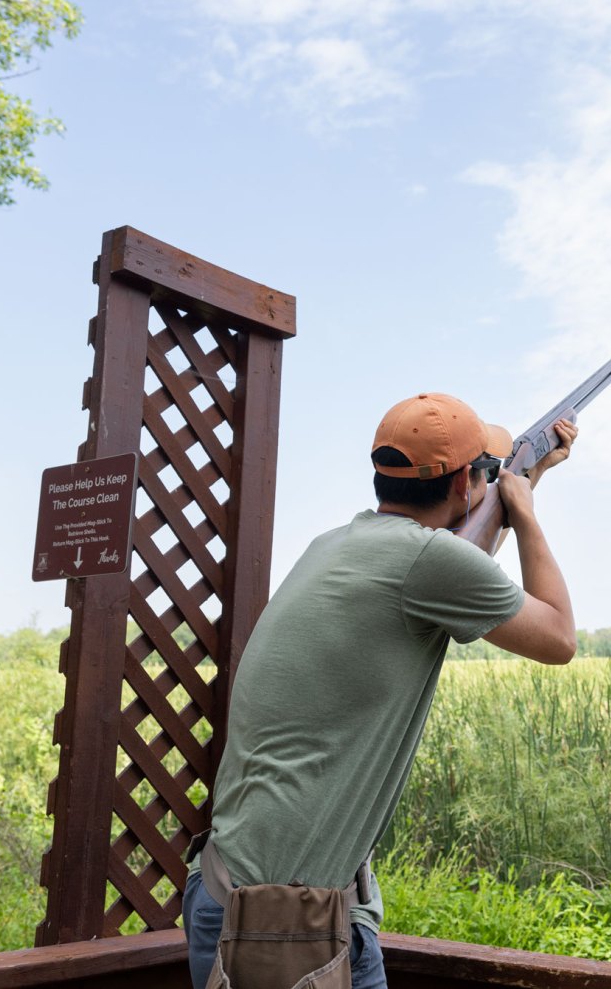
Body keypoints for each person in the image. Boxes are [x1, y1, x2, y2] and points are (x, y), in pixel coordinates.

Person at [182, 392, 579, 989]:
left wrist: (531, 474)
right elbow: (557, 637)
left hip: (235, 888)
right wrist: (524, 510)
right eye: (486, 472)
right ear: (465, 484)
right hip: (282, 921)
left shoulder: (335, 544)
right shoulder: (424, 561)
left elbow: (458, 572)